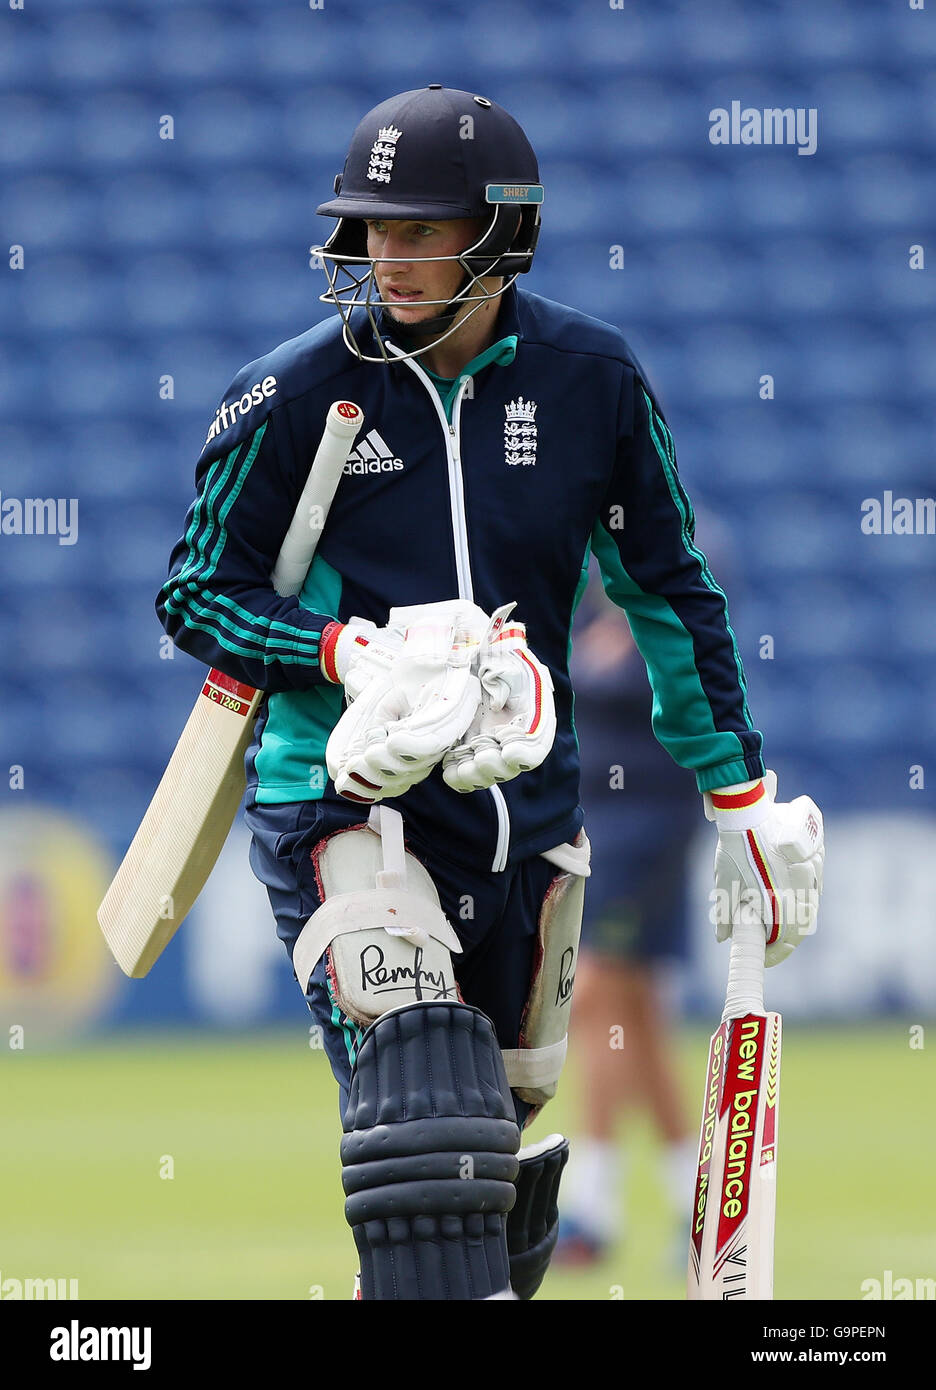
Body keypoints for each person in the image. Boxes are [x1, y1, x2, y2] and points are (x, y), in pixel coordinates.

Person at [155, 86, 824, 1301]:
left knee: (479, 1166)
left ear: (504, 235)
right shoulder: (299, 397)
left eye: (421, 230)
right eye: (370, 230)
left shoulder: (593, 380)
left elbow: (668, 585)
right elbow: (198, 594)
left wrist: (743, 793)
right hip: (345, 804)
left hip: (530, 825)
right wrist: (346, 657)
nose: (387, 258)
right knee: (427, 1106)